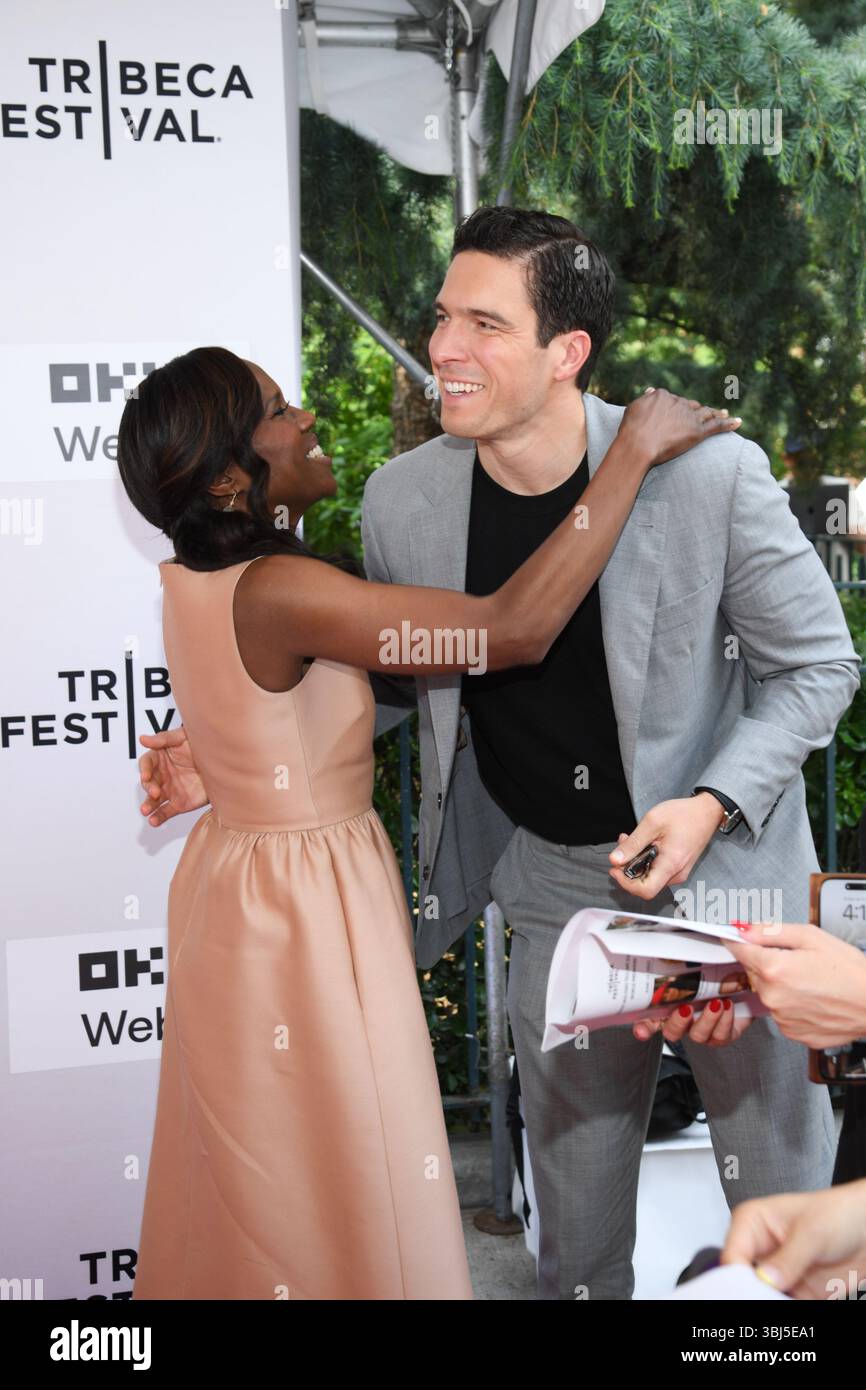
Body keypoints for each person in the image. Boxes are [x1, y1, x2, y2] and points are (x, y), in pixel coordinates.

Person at [139, 205, 860, 1302]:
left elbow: (817, 667)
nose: (442, 348)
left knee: (795, 1236)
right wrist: (240, 749)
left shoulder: (707, 475)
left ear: (564, 350)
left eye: (482, 322)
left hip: (735, 902)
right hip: (553, 901)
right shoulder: (404, 498)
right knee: (571, 1252)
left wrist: (709, 801)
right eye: (440, 317)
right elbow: (416, 675)